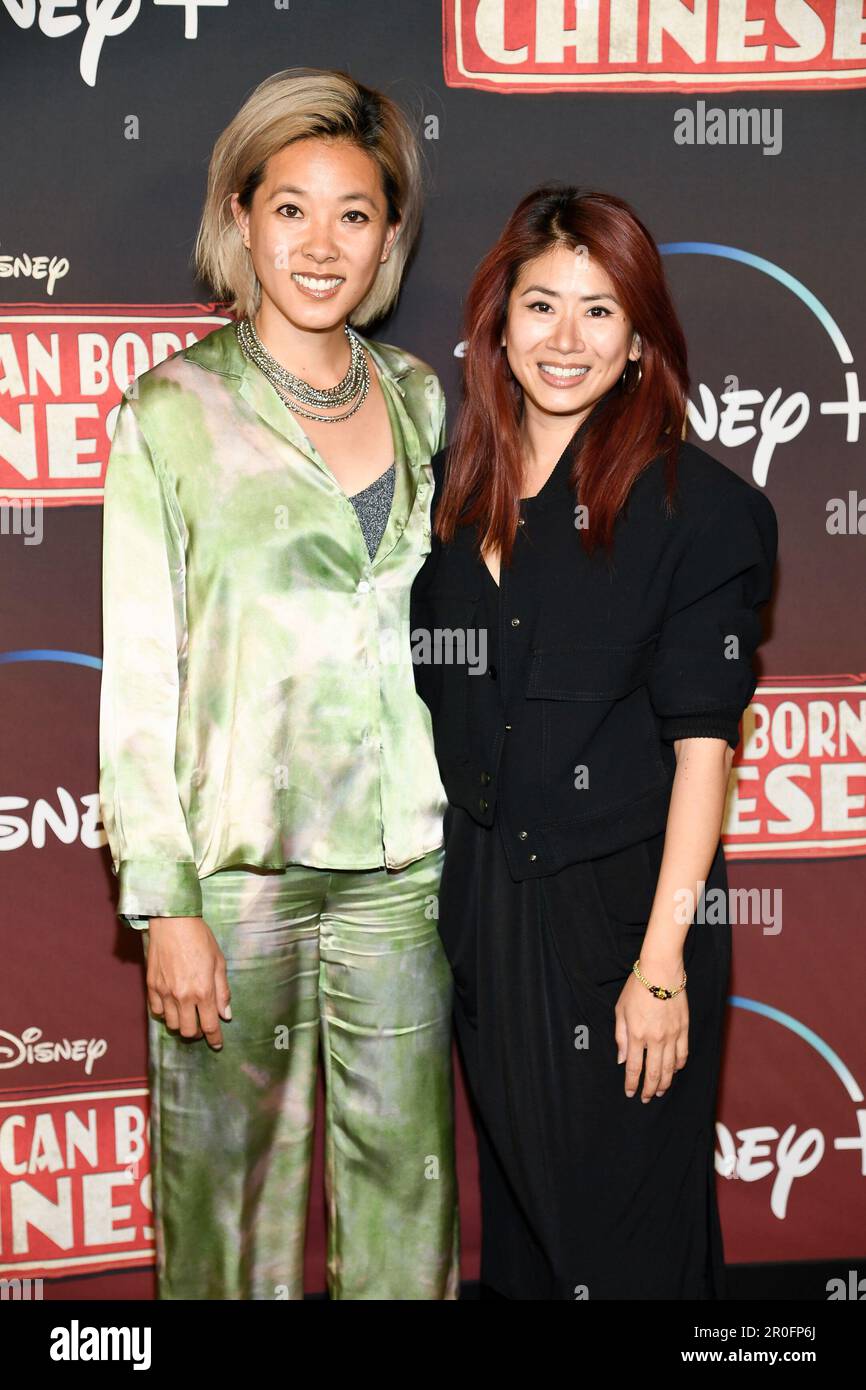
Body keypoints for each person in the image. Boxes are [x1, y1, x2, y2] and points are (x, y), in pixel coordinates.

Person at [98, 67, 459, 1301]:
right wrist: (165, 904)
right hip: (235, 878)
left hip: (400, 872)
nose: (320, 243)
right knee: (226, 1213)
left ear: (388, 236)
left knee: (406, 1196)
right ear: (239, 217)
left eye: (353, 213)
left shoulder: (417, 398)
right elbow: (139, 681)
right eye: (290, 207)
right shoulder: (170, 413)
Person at [410, 185, 778, 1300]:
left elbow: (703, 751)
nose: (563, 340)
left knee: (622, 1248)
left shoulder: (695, 510)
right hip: (484, 906)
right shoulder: (451, 486)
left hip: (619, 921)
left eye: (598, 311)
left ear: (638, 343)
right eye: (539, 306)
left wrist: (659, 966)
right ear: (497, 322)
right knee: (530, 1237)